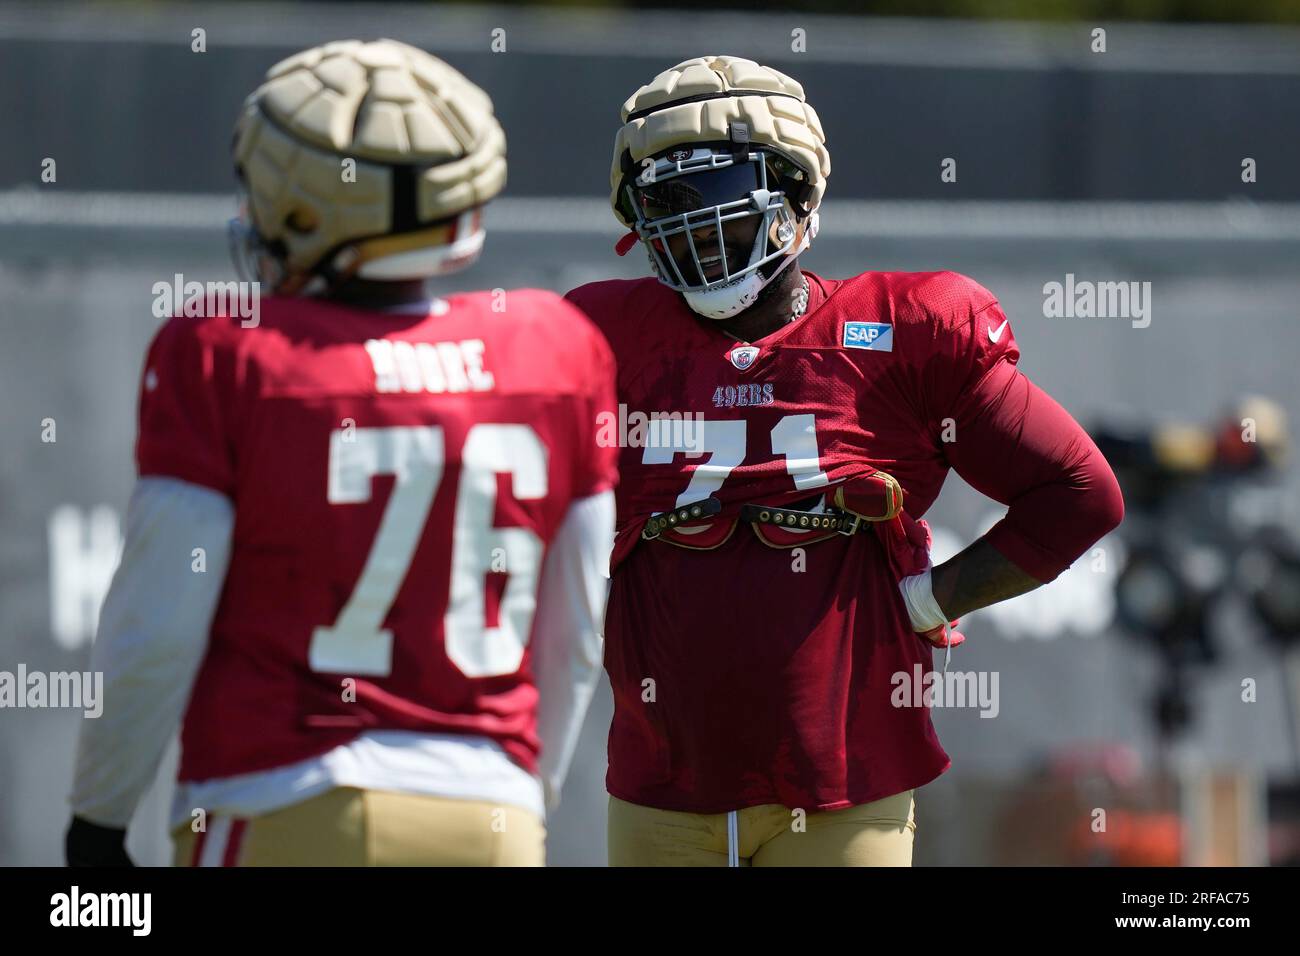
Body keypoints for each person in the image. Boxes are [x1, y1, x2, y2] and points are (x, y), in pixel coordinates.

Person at [66, 38, 616, 867]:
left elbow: (158, 624)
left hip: (286, 803)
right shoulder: (558, 345)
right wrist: (519, 800)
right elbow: (576, 629)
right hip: (487, 817)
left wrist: (98, 818)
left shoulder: (226, 351)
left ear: (301, 205)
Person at [564, 55, 1125, 866]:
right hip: (662, 789)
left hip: (843, 790)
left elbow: (1079, 492)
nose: (696, 233)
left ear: (795, 199)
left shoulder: (901, 331)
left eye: (719, 205)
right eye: (670, 206)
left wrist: (930, 602)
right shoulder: (600, 335)